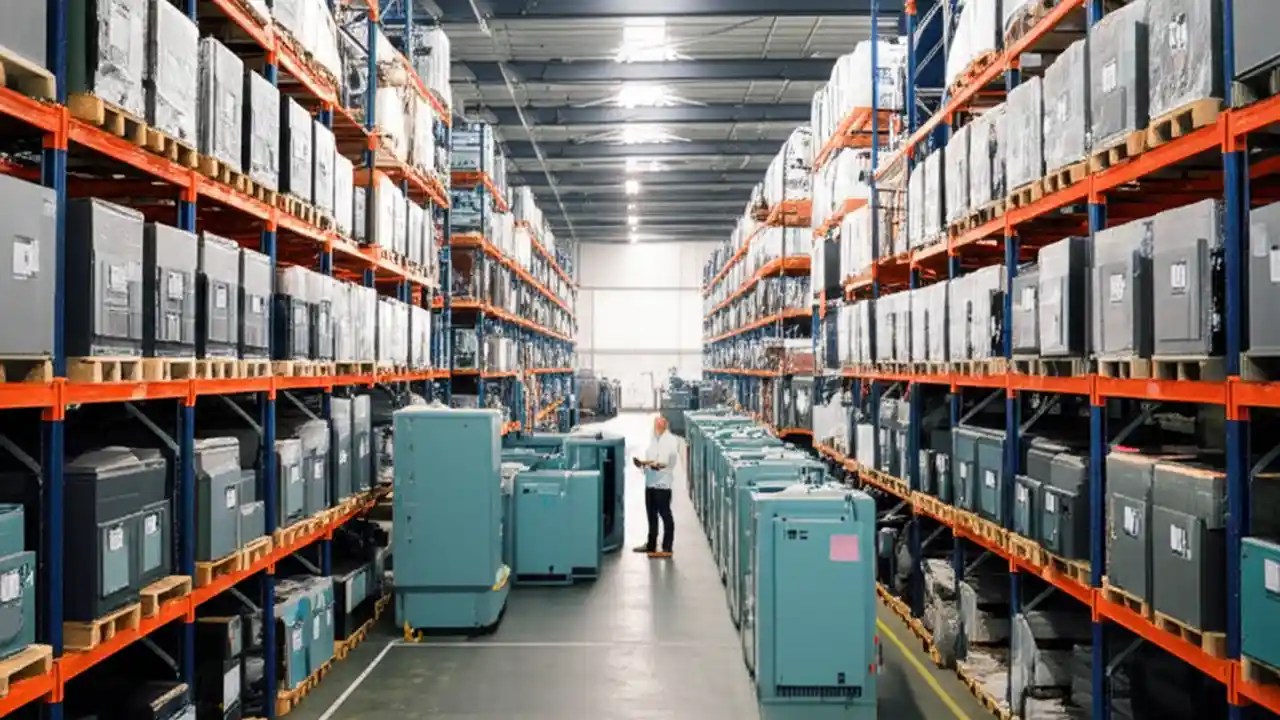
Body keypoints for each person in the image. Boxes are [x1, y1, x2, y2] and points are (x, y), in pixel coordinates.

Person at [633, 415, 678, 558]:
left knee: (665, 515)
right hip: (650, 483)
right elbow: (652, 458)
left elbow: (664, 462)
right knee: (651, 515)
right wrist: (643, 464)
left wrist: (653, 465)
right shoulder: (654, 439)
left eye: (660, 424)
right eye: (656, 424)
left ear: (665, 425)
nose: (657, 427)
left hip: (662, 484)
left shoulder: (670, 440)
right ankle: (651, 545)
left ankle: (667, 547)